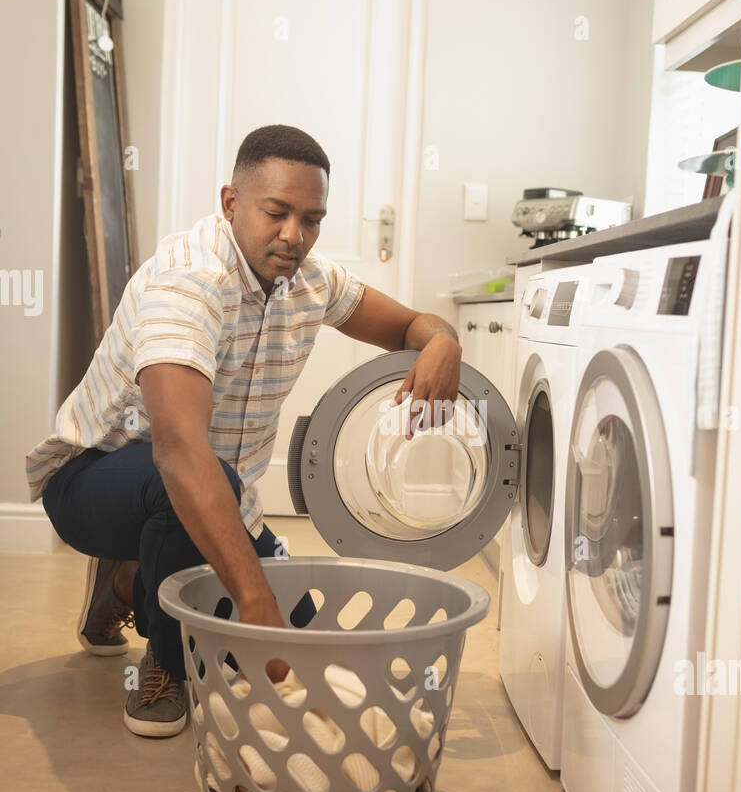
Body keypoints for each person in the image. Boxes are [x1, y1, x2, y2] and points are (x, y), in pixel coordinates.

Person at [25, 124, 462, 738]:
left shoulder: (312, 280)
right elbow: (179, 455)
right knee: (212, 520)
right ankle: (166, 664)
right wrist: (255, 606)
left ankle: (128, 579)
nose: (295, 236)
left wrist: (442, 338)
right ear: (231, 203)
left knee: (304, 641)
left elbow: (410, 324)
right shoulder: (187, 282)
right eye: (277, 212)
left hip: (223, 495)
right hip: (93, 480)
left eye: (312, 219)